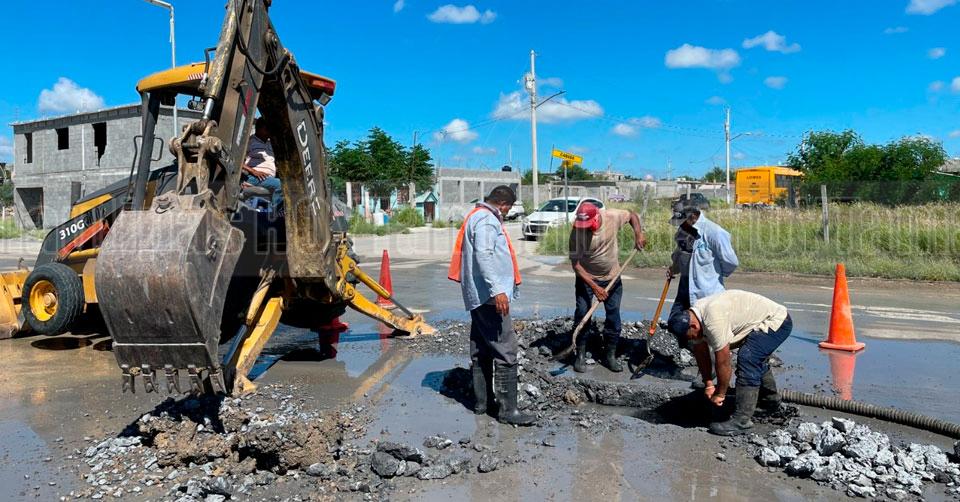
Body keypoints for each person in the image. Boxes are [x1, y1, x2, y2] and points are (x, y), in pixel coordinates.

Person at [448, 185, 535, 426]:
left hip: (479, 294)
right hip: (488, 296)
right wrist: (498, 290)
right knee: (506, 349)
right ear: (504, 204)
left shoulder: (476, 216)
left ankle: (482, 404)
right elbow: (484, 256)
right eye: (508, 208)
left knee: (481, 347)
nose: (507, 213)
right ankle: (508, 411)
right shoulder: (487, 220)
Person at [667, 289, 793, 436]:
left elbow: (724, 362)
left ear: (693, 326)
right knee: (755, 358)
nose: (691, 340)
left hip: (777, 320)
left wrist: (720, 393)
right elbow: (701, 352)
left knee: (748, 357)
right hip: (759, 319)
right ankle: (769, 402)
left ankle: (742, 421)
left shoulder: (713, 320)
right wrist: (708, 383)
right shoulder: (695, 317)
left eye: (690, 336)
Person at [568, 202, 646, 373]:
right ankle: (580, 355)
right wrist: (595, 287)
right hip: (587, 279)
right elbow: (576, 265)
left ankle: (609, 355)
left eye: (588, 225)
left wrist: (638, 233)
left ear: (597, 217)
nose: (585, 229)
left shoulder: (611, 216)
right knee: (582, 313)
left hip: (612, 277)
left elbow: (632, 215)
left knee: (613, 317)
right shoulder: (577, 233)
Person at [668, 205, 739, 321]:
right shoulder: (683, 231)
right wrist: (676, 267)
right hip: (684, 286)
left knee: (704, 328)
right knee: (676, 324)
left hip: (707, 292)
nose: (681, 226)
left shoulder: (714, 232)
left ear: (694, 216)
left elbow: (730, 261)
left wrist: (715, 274)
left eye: (683, 222)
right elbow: (680, 253)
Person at [242, 117, 282, 207]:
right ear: (259, 128)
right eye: (267, 129)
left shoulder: (270, 143)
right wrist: (253, 171)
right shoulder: (249, 141)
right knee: (281, 185)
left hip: (268, 179)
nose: (269, 132)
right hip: (254, 177)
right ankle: (275, 215)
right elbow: (237, 160)